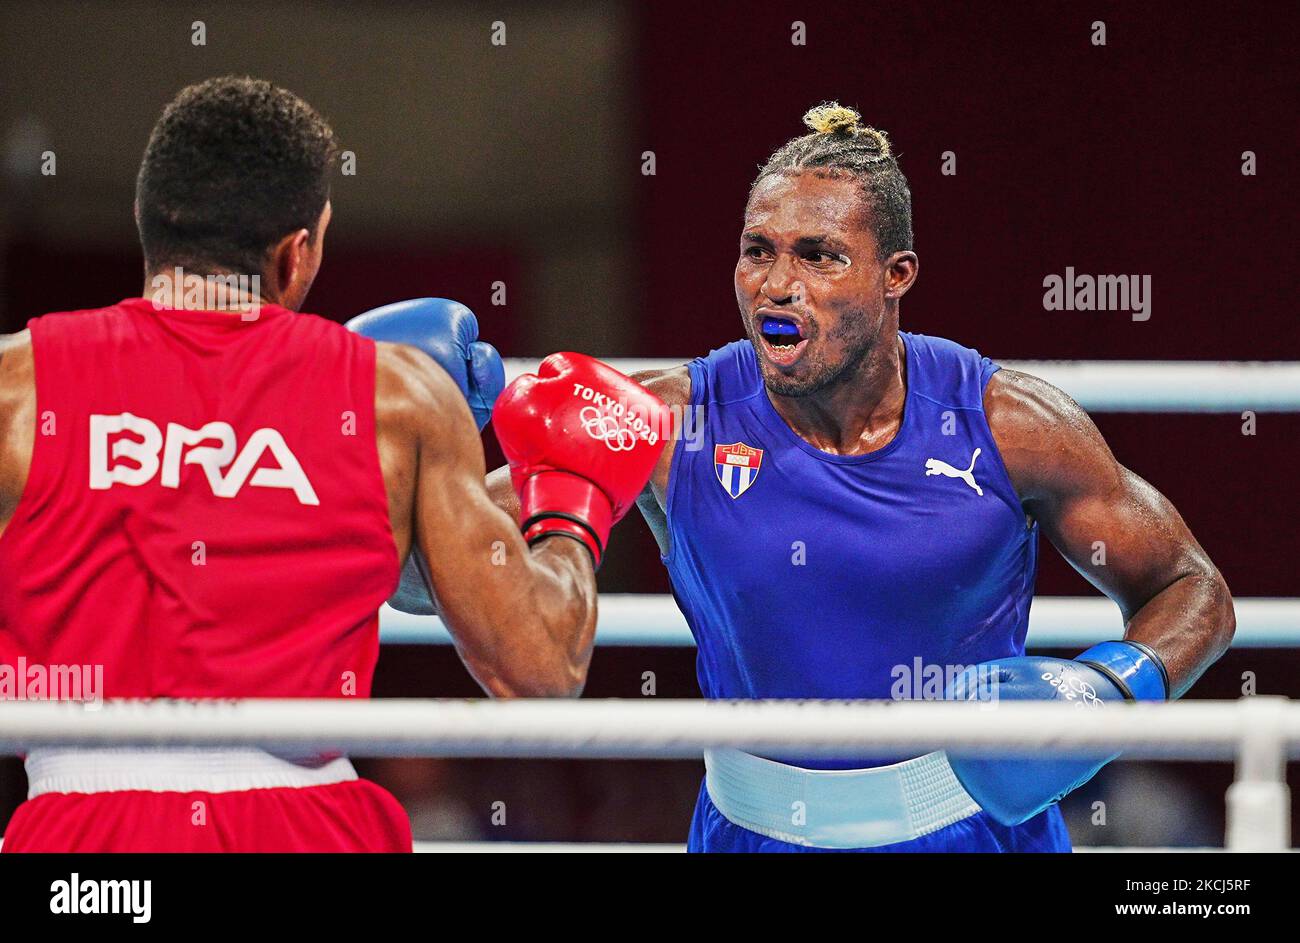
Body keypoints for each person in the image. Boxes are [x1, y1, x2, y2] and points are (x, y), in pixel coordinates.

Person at [480, 103, 1236, 852]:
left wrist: (1108, 687)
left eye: (819, 254)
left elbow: (1190, 586)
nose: (778, 283)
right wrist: (434, 448)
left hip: (974, 830)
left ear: (895, 275)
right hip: (751, 831)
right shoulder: (672, 421)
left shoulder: (1007, 422)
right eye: (757, 249)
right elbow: (443, 564)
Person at [0, 75, 667, 852]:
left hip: (83, 842)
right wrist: (568, 498)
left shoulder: (16, 389)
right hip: (304, 828)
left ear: (147, 225)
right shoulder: (395, 400)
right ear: (298, 251)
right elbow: (541, 665)